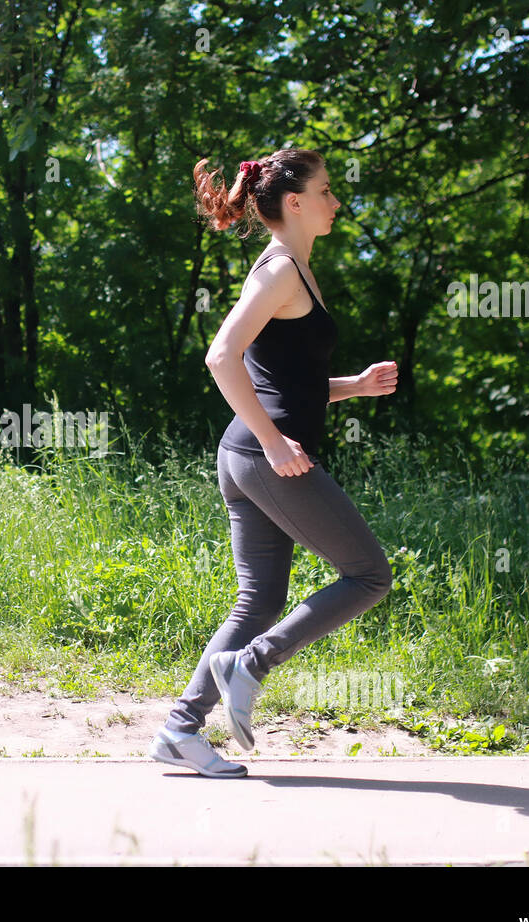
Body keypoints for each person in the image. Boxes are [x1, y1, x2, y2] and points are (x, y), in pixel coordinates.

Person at [149, 149, 399, 778]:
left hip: (250, 454)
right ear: (294, 202)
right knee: (369, 576)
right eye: (326, 190)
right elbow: (220, 357)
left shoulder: (295, 271)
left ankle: (181, 729)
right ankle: (253, 663)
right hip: (265, 456)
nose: (335, 201)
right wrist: (274, 441)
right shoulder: (280, 271)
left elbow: (286, 379)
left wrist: (353, 386)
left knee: (259, 600)